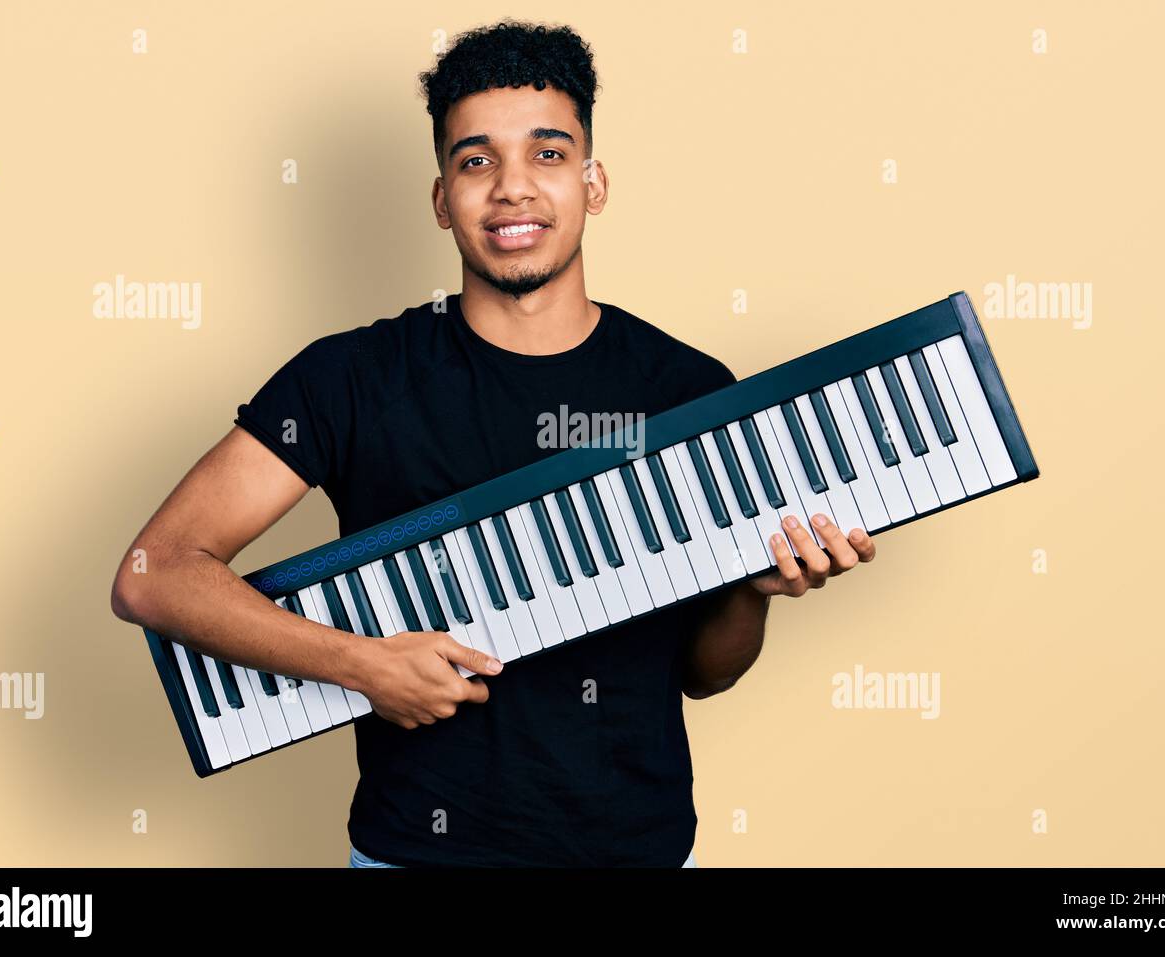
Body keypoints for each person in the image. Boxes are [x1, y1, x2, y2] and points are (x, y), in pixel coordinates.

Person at [110, 18, 876, 868]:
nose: (513, 188)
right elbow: (155, 575)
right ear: (442, 198)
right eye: (477, 161)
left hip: (642, 852)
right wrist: (360, 664)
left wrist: (754, 590)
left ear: (594, 183)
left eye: (548, 154)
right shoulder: (352, 378)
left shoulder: (685, 388)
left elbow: (703, 673)